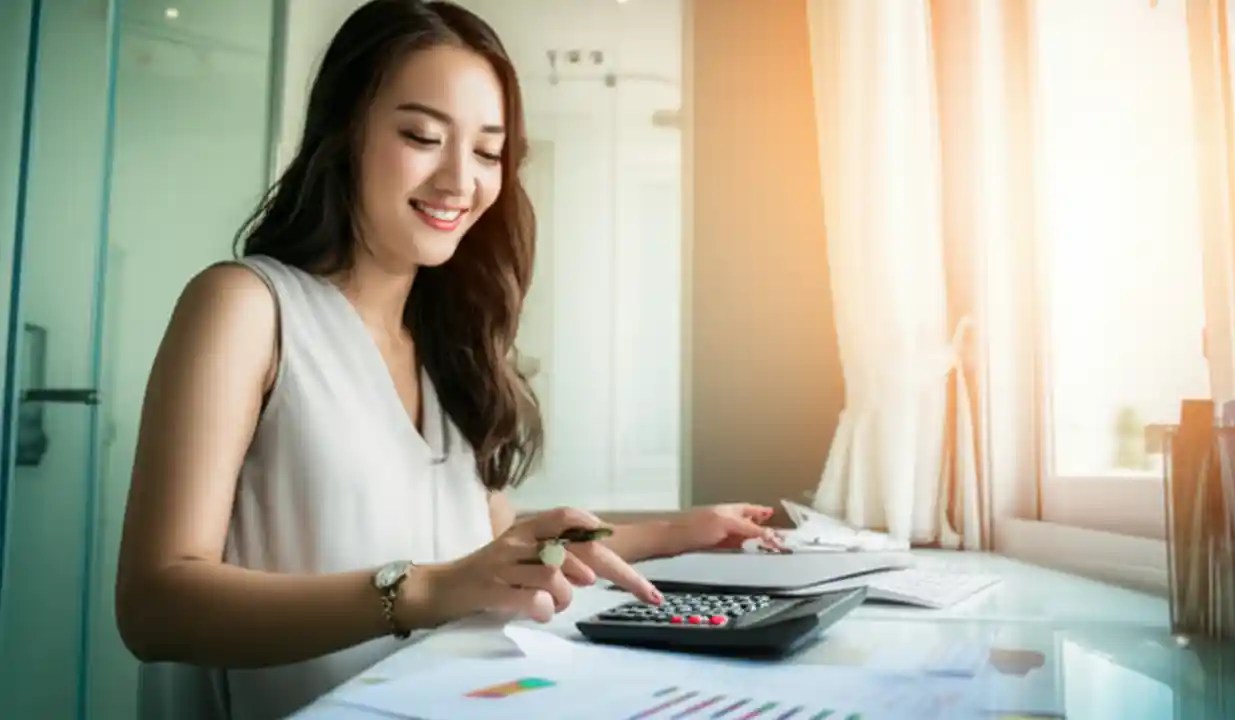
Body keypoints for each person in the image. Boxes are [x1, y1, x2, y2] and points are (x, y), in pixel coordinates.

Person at [114, 1, 777, 718]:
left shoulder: (447, 349)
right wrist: (425, 592)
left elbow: (492, 545)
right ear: (344, 134)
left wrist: (681, 533)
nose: (462, 180)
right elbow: (155, 606)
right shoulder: (247, 307)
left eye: (489, 151)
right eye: (423, 135)